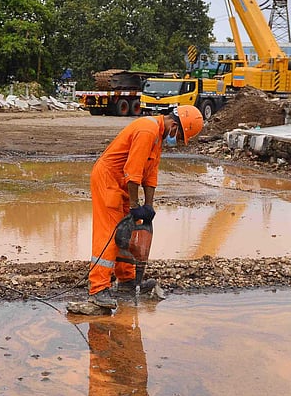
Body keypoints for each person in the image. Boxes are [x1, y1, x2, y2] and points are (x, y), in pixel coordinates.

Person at [67, 105, 204, 315]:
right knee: (110, 235)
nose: (175, 142)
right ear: (174, 126)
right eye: (178, 137)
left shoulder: (158, 137)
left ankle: (126, 281)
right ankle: (98, 289)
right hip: (109, 181)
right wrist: (134, 206)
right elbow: (133, 171)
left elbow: (150, 174)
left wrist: (148, 206)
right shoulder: (147, 131)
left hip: (123, 183)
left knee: (128, 234)